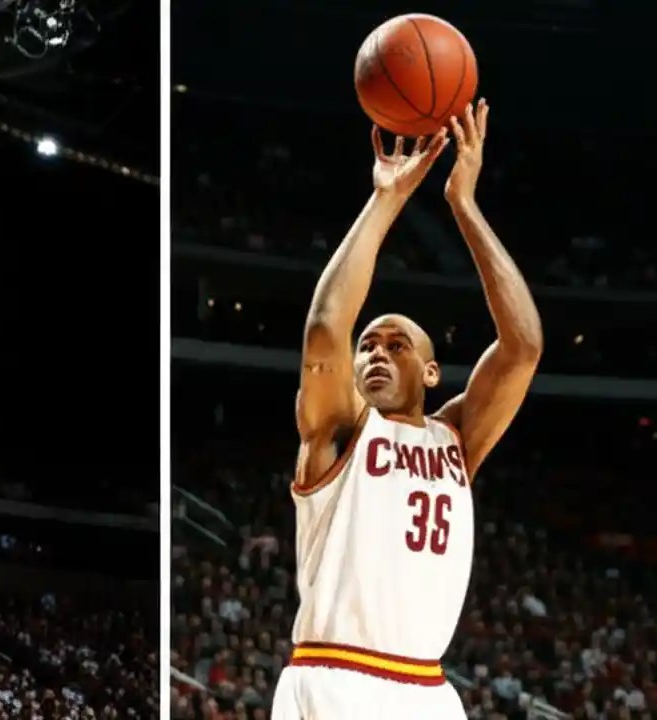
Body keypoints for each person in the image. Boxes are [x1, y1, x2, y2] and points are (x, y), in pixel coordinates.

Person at [271, 101, 543, 719]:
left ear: (429, 371)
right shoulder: (339, 429)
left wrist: (464, 206)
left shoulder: (456, 437)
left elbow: (524, 345)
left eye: (396, 345)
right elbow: (323, 328)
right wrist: (387, 200)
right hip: (334, 677)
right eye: (367, 345)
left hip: (428, 691)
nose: (375, 353)